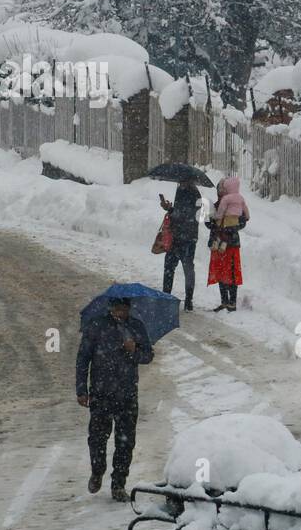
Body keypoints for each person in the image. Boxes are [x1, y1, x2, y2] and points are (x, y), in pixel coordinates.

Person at [76, 294, 154, 502]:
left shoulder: (136, 327)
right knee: (97, 437)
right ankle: (97, 469)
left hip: (127, 393)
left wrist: (133, 350)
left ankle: (119, 484)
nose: (120, 313)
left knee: (125, 441)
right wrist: (81, 389)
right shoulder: (96, 326)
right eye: (117, 309)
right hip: (101, 393)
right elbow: (83, 358)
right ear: (110, 309)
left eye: (124, 309)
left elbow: (147, 356)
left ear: (129, 309)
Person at [160, 171, 202, 311]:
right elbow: (179, 212)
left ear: (187, 180)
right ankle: (172, 297)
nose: (179, 182)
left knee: (184, 268)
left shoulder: (193, 193)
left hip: (186, 237)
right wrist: (170, 208)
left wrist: (171, 210)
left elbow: (186, 215)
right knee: (174, 266)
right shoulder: (182, 190)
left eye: (181, 180)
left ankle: (186, 300)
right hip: (180, 235)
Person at [206, 175, 249, 312]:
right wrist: (213, 223)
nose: (221, 192)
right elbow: (207, 222)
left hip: (231, 244)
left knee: (231, 273)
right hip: (218, 244)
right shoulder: (215, 205)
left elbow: (243, 221)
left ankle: (232, 302)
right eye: (219, 190)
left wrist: (230, 227)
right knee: (220, 273)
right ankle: (224, 301)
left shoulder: (235, 202)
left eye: (222, 189)